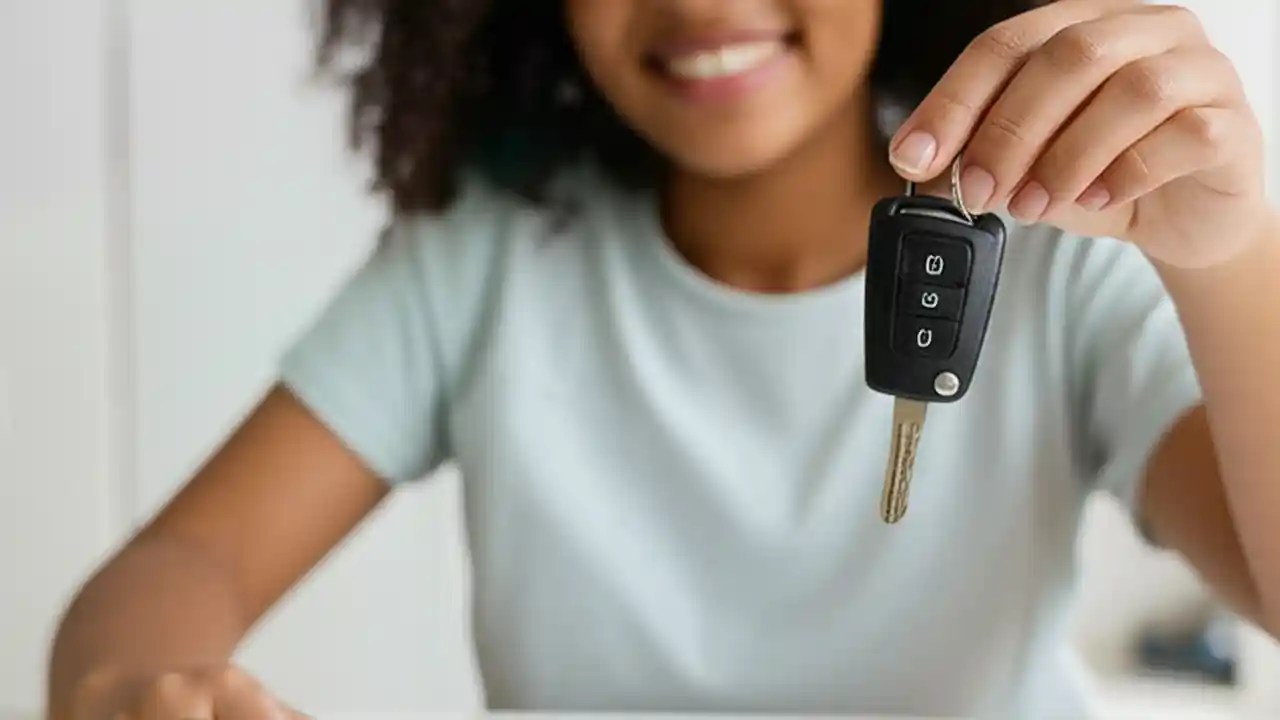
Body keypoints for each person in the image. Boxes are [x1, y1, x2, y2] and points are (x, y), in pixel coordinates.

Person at [49, 0, 1280, 718]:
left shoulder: (1063, 253)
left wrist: (1228, 257)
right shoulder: (483, 258)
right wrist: (137, 688)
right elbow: (184, 560)